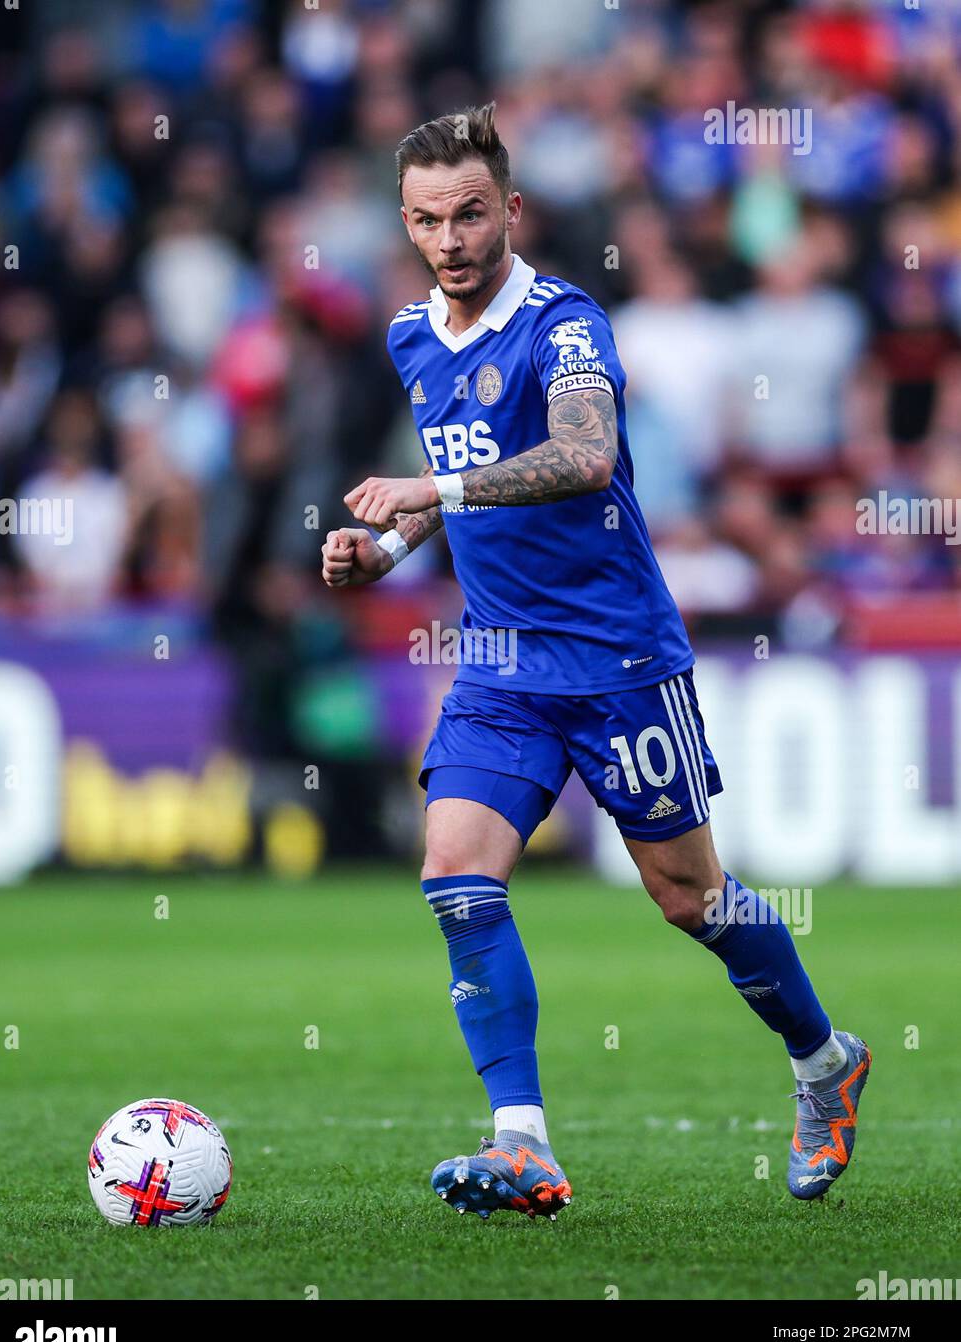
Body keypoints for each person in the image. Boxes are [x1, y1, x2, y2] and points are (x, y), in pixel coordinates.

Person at [321, 104, 870, 1220]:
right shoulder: (411, 335)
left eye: (471, 213)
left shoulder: (566, 325)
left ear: (510, 210)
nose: (451, 238)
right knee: (456, 876)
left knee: (690, 898)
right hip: (502, 667)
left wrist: (433, 492)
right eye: (428, 220)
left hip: (618, 658)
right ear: (406, 224)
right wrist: (385, 546)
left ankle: (825, 1063)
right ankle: (521, 1141)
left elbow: (583, 454)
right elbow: (457, 471)